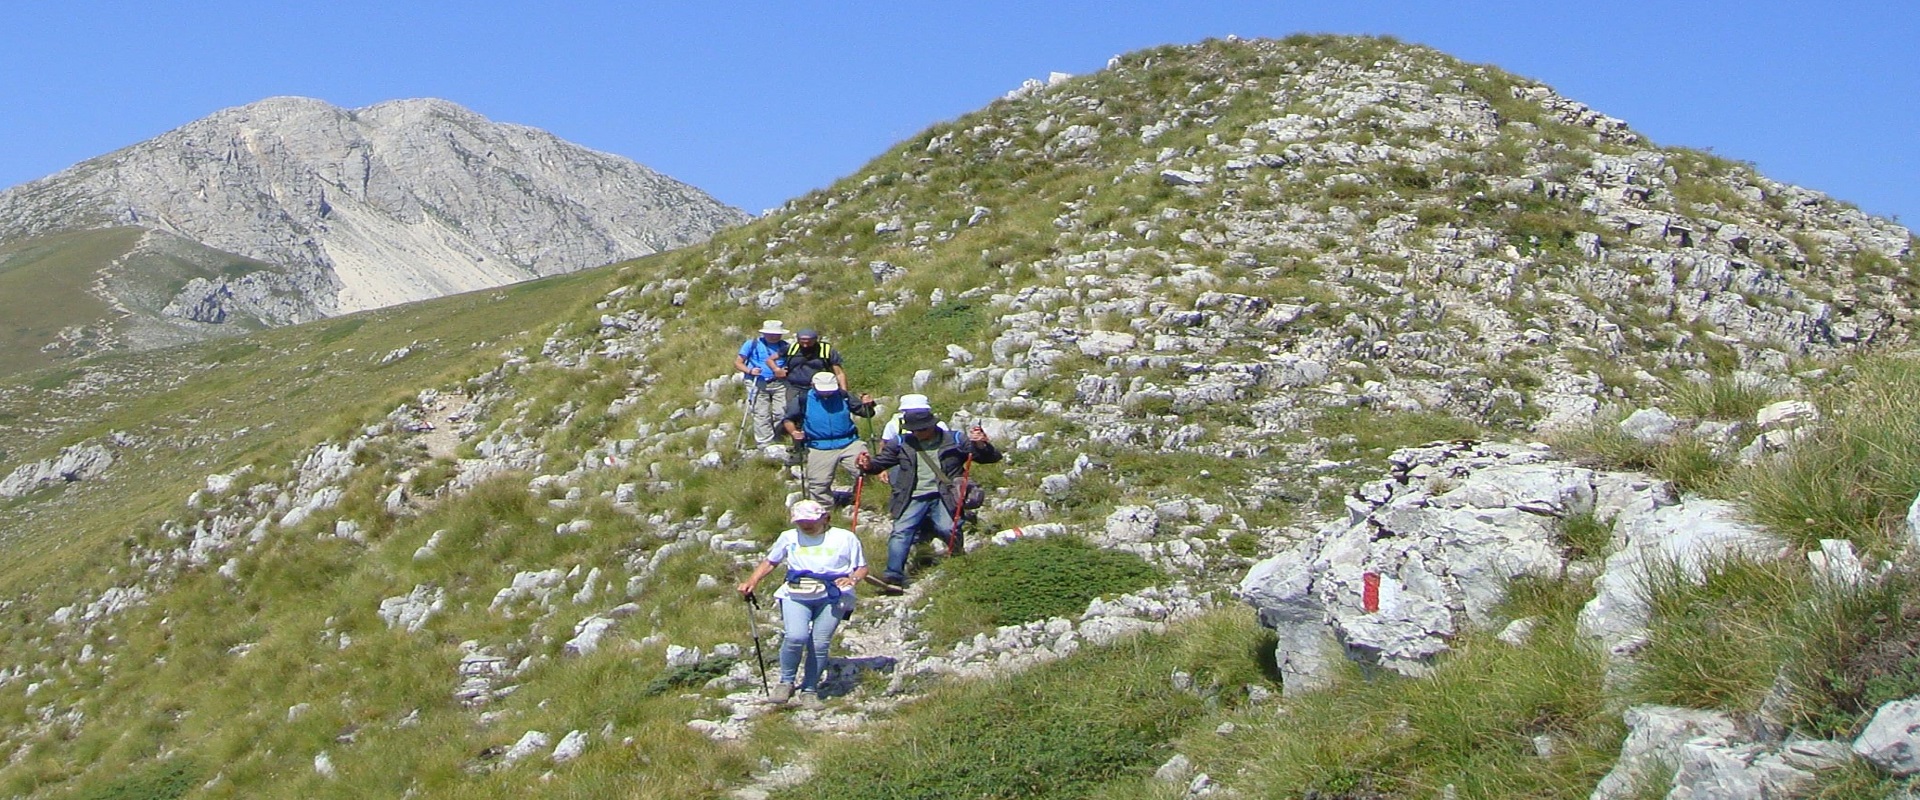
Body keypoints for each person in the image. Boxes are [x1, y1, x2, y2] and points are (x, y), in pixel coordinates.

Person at [737, 500, 868, 704]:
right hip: (797, 593)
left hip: (833, 595)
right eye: (801, 522)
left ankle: (809, 689)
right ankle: (786, 682)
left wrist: (853, 579)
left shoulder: (845, 538)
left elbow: (861, 567)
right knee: (795, 636)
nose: (806, 525)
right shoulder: (789, 537)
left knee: (819, 643)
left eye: (810, 521)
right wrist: (752, 581)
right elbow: (771, 561)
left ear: (825, 518)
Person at [856, 410, 1001, 593]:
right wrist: (867, 465)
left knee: (948, 528)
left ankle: (957, 561)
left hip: (945, 495)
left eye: (923, 429)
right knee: (901, 531)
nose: (919, 433)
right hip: (912, 496)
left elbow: (989, 458)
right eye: (915, 430)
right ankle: (893, 576)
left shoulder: (955, 439)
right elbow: (879, 464)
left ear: (933, 425)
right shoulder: (901, 443)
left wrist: (981, 444)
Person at [784, 372, 875, 504]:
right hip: (818, 446)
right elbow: (788, 419)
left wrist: (869, 405)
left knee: (866, 469)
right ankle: (822, 512)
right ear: (813, 386)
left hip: (849, 442)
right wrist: (794, 432)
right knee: (818, 483)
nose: (827, 393)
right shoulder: (802, 399)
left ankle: (860, 500)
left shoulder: (843, 396)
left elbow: (866, 413)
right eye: (823, 390)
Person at [734, 320, 792, 450]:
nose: (773, 336)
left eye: (776, 334)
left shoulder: (785, 347)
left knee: (782, 411)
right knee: (761, 412)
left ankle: (779, 438)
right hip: (757, 382)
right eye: (770, 334)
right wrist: (750, 371)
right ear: (764, 333)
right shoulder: (752, 344)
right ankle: (764, 443)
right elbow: (738, 363)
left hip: (779, 383)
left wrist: (785, 371)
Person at [774, 329, 846, 402]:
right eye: (802, 342)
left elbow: (839, 373)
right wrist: (777, 369)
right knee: (793, 412)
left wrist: (844, 392)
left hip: (821, 389)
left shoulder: (826, 350)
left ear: (815, 339)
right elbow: (770, 360)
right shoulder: (791, 348)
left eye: (809, 342)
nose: (805, 345)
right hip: (794, 388)